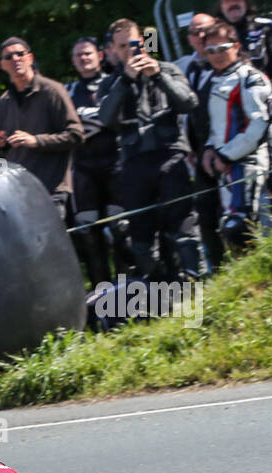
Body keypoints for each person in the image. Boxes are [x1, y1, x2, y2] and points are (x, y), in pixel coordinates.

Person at [96, 20, 206, 280]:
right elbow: (105, 119)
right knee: (141, 233)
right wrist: (125, 80)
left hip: (170, 155)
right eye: (122, 46)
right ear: (112, 49)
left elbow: (189, 103)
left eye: (134, 44)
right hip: (134, 163)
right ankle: (160, 290)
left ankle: (197, 280)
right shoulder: (110, 83)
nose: (129, 51)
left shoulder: (166, 69)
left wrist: (157, 76)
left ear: (143, 43)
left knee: (183, 222)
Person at [0, 37, 85, 216]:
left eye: (20, 54)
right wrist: (2, 143)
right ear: (3, 65)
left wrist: (36, 140)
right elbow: (8, 151)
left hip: (52, 188)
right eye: (9, 57)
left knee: (52, 243)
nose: (15, 59)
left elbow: (76, 135)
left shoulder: (52, 91)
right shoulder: (4, 101)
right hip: (20, 191)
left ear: (30, 58)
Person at [199, 21, 272, 249]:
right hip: (224, 167)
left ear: (236, 46)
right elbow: (218, 127)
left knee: (241, 229)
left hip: (248, 162)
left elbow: (259, 124)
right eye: (211, 50)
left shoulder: (249, 77)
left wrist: (227, 156)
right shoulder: (211, 80)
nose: (217, 55)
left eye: (223, 48)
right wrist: (210, 150)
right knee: (232, 232)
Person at [219, 0, 272, 198]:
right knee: (239, 195)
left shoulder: (266, 27)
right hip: (232, 129)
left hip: (266, 119)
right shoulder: (215, 36)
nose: (232, 4)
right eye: (226, 1)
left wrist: (264, 101)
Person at [67, 37, 127, 285]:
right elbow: (69, 126)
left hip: (116, 166)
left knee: (121, 231)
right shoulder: (67, 91)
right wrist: (100, 119)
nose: (84, 58)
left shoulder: (115, 82)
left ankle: (131, 294)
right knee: (88, 236)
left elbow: (114, 119)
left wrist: (89, 121)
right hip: (83, 173)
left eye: (88, 53)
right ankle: (102, 301)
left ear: (100, 55)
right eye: (78, 55)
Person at [178, 14, 227, 269]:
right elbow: (186, 113)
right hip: (198, 153)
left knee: (231, 209)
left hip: (227, 149)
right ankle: (217, 269)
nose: (199, 37)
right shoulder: (187, 67)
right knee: (204, 211)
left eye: (204, 31)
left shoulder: (226, 63)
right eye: (194, 33)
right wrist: (189, 146)